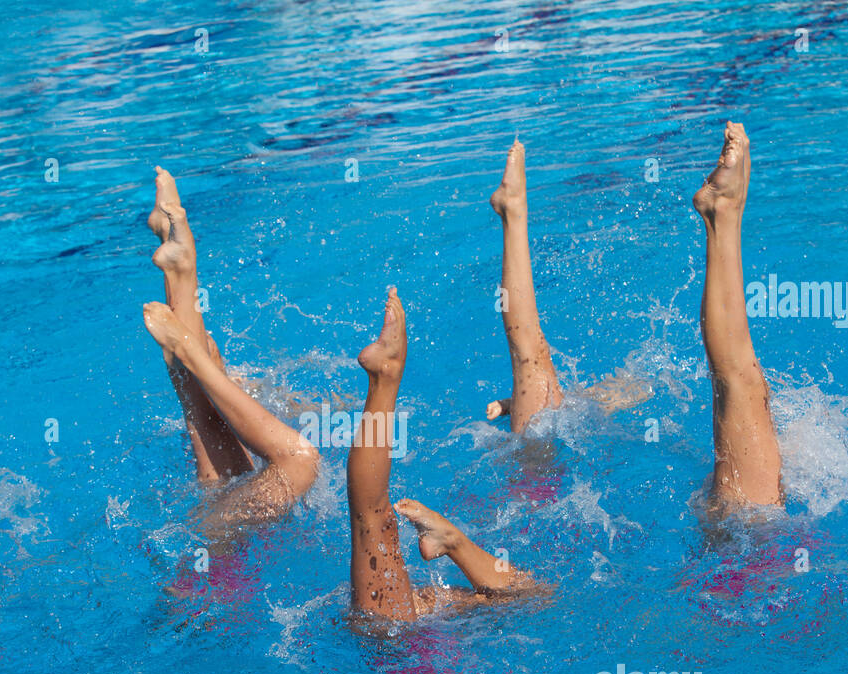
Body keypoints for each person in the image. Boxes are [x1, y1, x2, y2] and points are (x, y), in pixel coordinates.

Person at [143, 168, 320, 540]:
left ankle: (190, 347)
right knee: (207, 420)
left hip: (209, 560)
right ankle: (179, 268)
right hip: (215, 559)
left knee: (298, 461)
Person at [347, 288, 539, 621]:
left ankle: (385, 379)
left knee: (374, 521)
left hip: (399, 644)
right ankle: (451, 540)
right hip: (404, 643)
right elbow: (533, 595)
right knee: (373, 521)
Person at [484, 137, 651, 431]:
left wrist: (520, 400)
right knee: (533, 361)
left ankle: (514, 215)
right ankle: (513, 214)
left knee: (532, 359)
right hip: (540, 460)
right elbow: (638, 388)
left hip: (535, 467)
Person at [690, 122, 784, 519]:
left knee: (740, 384)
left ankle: (722, 217)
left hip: (746, 555)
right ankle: (722, 217)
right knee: (745, 386)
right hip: (750, 557)